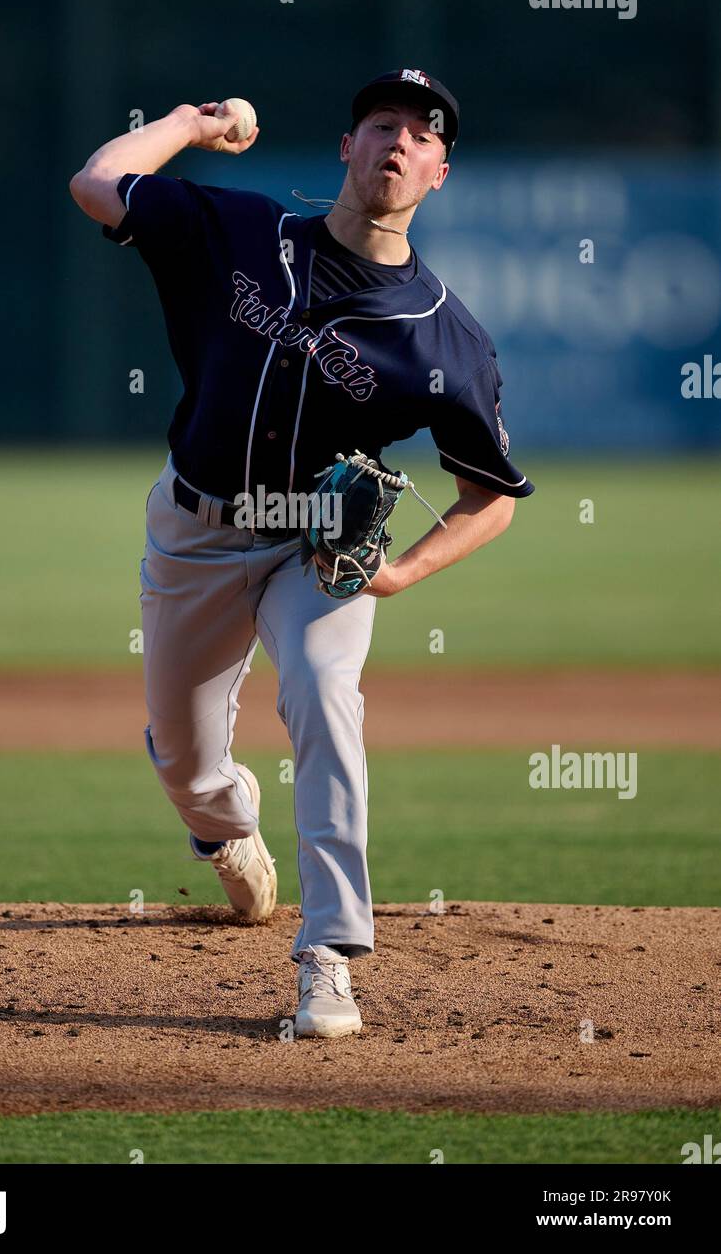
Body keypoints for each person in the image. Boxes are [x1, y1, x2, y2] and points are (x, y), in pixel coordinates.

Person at [69, 67, 534, 1040]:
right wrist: (191, 125)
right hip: (193, 532)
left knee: (324, 695)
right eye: (380, 124)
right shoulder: (238, 231)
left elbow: (488, 499)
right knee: (187, 768)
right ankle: (225, 828)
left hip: (313, 550)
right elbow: (97, 182)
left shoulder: (443, 338)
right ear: (346, 148)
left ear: (437, 172)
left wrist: (397, 570)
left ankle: (328, 957)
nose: (398, 143)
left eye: (420, 135)